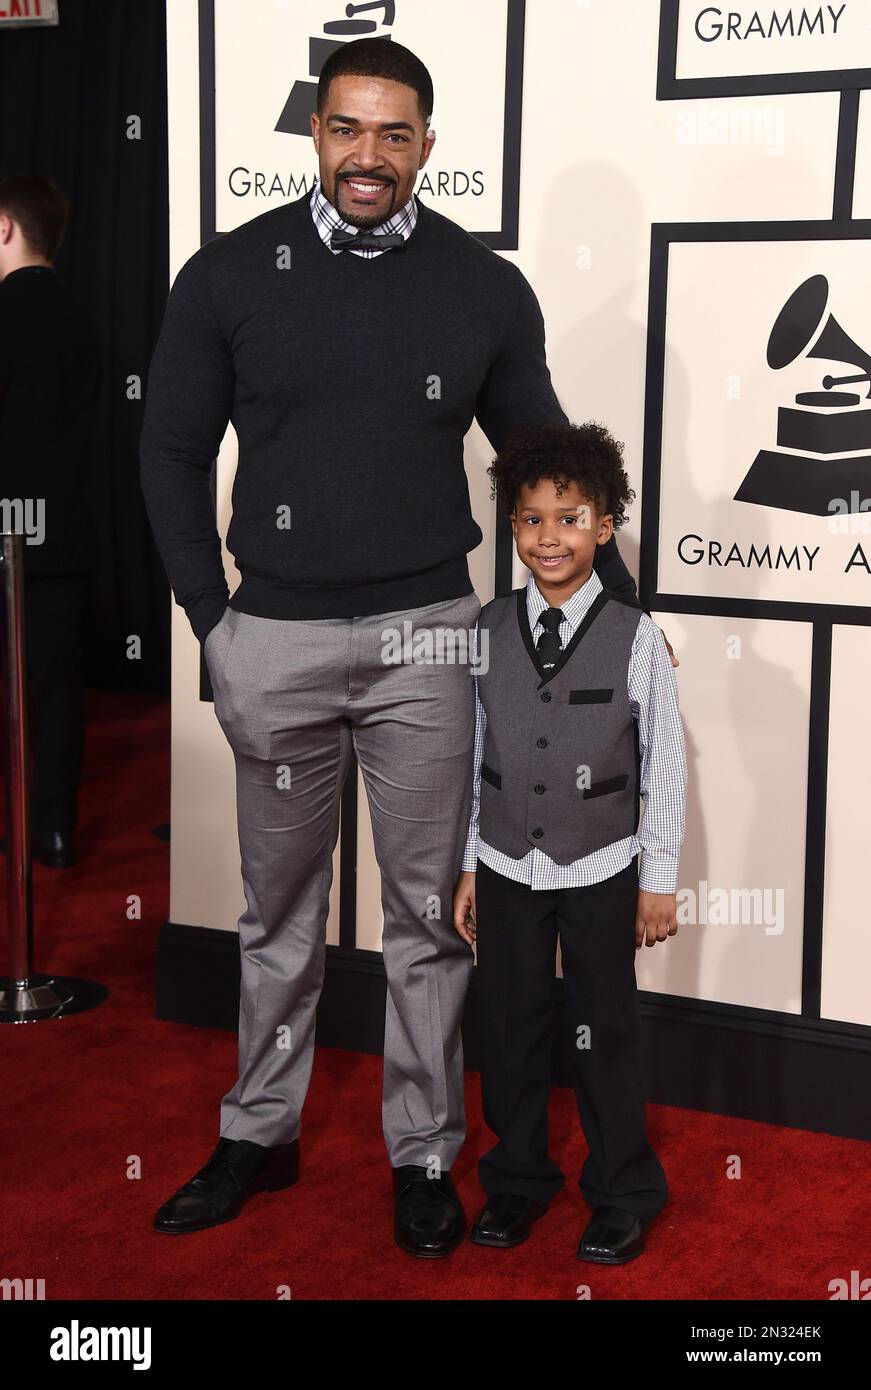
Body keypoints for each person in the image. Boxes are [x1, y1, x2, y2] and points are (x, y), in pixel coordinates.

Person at [140, 38, 640, 1257]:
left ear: (427, 144)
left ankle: (423, 1151)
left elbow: (544, 462)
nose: (369, 156)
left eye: (395, 134)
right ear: (316, 130)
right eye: (348, 129)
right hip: (278, 634)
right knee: (278, 914)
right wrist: (214, 618)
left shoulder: (478, 286)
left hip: (429, 643)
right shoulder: (228, 274)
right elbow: (168, 451)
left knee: (427, 916)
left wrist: (620, 620)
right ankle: (260, 1131)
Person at [453, 420, 686, 1262]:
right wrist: (466, 865)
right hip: (506, 863)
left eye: (568, 517)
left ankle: (623, 1189)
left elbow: (664, 762)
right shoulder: (484, 628)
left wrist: (658, 879)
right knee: (507, 1027)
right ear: (513, 529)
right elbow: (473, 755)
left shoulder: (635, 636)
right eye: (529, 520)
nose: (547, 537)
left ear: (603, 525)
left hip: (602, 867)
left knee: (603, 1029)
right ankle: (514, 1181)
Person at [0, 175, 102, 869]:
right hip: (64, 535)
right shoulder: (82, 320)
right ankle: (54, 830)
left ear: (5, 229)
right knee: (58, 688)